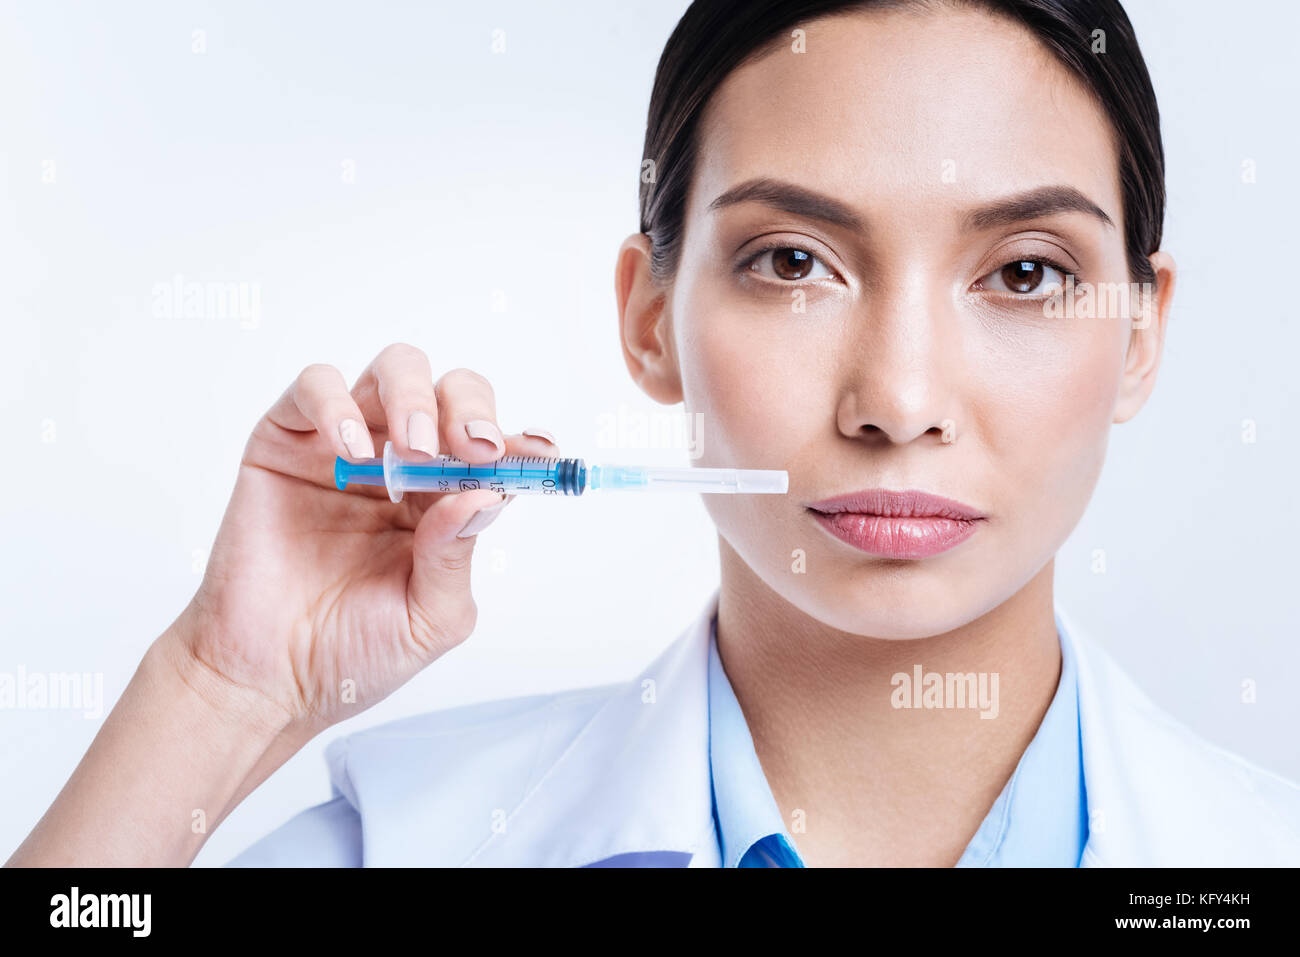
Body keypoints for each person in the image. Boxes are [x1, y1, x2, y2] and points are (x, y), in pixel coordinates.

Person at [9, 0, 1299, 868]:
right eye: (794, 259)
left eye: (1024, 274)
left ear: (1138, 332)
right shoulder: (409, 844)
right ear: (649, 322)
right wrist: (217, 693)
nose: (899, 403)